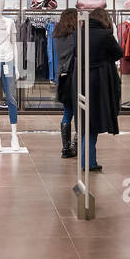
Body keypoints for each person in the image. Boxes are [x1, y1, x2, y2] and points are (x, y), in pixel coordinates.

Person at [58, 7, 123, 172]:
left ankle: (88, 160)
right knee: (93, 123)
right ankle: (88, 162)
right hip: (98, 84)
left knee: (84, 122)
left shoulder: (78, 34)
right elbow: (119, 53)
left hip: (79, 81)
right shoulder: (105, 35)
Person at [52, 8, 79, 159]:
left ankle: (65, 147)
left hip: (62, 76)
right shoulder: (76, 35)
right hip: (75, 76)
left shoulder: (57, 35)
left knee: (67, 112)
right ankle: (75, 143)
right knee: (80, 113)